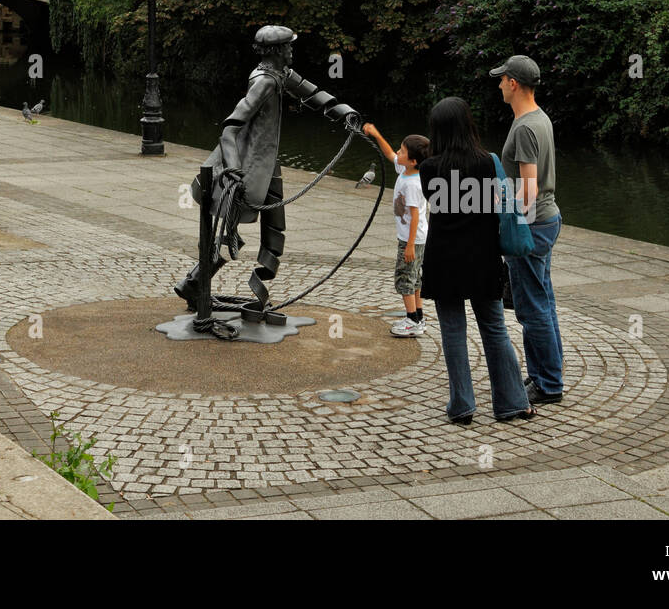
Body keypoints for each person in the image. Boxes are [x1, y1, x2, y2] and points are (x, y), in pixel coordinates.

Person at [174, 25, 364, 319]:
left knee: (275, 233)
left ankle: (253, 290)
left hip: (267, 164)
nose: (292, 51)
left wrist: (344, 112)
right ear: (276, 51)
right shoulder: (263, 82)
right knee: (229, 233)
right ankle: (193, 284)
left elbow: (311, 92)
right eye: (288, 47)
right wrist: (234, 168)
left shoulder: (280, 74)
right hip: (245, 168)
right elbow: (230, 127)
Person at [419, 96, 534, 424]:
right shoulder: (489, 162)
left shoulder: (429, 169)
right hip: (483, 257)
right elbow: (502, 204)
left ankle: (462, 406)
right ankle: (512, 401)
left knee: (453, 332)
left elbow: (434, 201)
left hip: (444, 260)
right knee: (495, 328)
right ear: (468, 125)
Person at [490, 54, 564, 407]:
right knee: (544, 303)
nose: (499, 85)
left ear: (514, 83)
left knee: (532, 308)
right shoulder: (539, 118)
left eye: (502, 79)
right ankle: (547, 375)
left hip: (533, 226)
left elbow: (529, 190)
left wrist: (507, 226)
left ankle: (548, 384)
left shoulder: (523, 127)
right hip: (547, 220)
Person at [363, 124, 430, 337]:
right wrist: (375, 134)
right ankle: (418, 315)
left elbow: (415, 216)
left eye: (402, 151)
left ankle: (411, 321)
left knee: (404, 278)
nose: (398, 153)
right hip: (418, 239)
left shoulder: (413, 184)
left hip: (412, 239)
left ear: (413, 161)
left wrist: (409, 245)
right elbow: (389, 153)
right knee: (414, 277)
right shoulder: (406, 169)